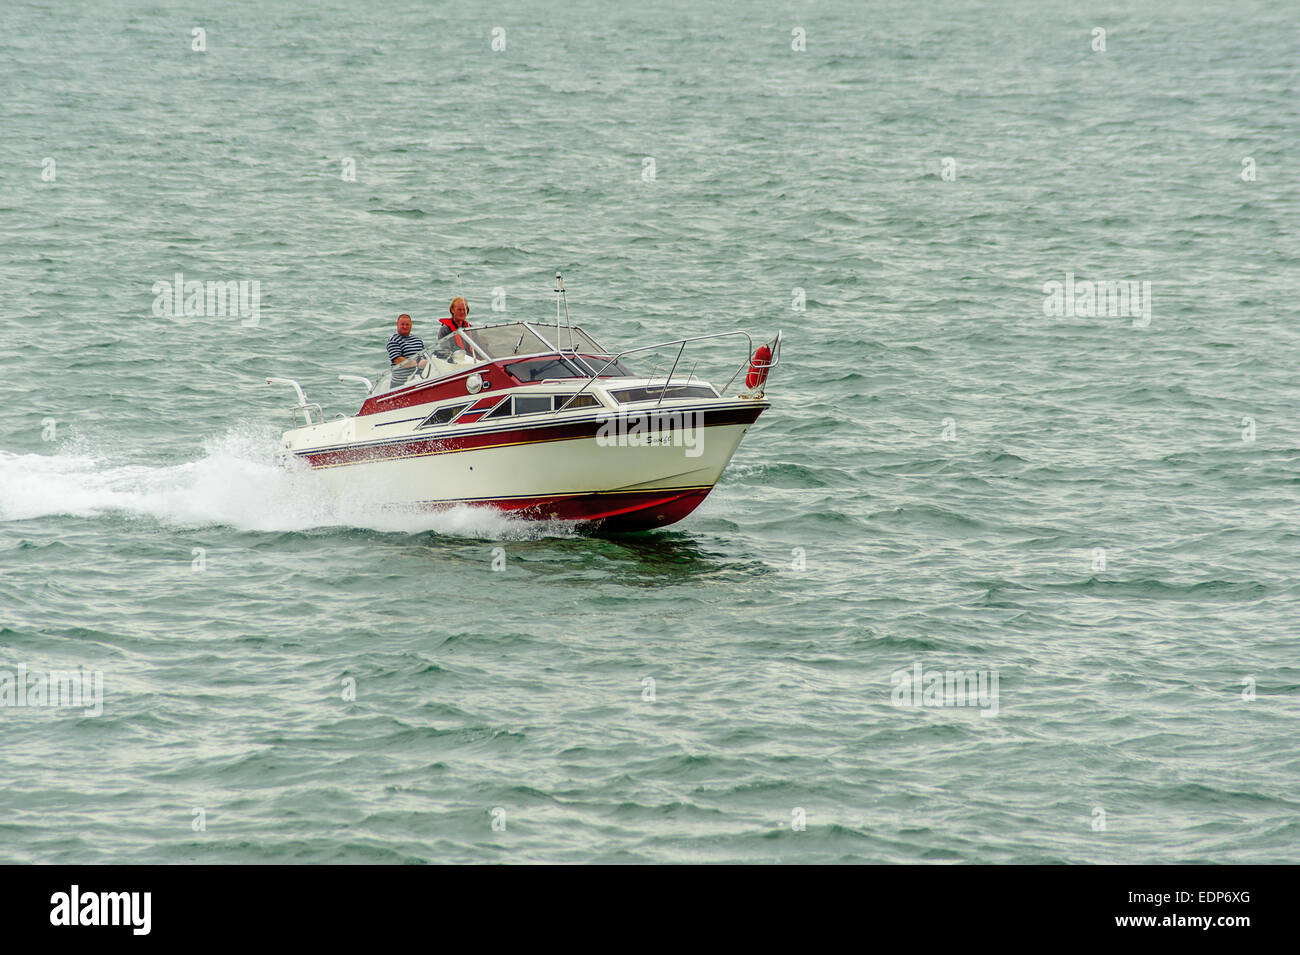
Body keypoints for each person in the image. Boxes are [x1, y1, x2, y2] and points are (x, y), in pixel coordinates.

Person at [386, 314, 426, 386]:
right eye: (402, 324)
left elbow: (424, 356)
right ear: (397, 325)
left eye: (407, 324)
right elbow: (397, 360)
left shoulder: (417, 340)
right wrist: (417, 363)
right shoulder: (393, 340)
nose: (405, 327)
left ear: (411, 325)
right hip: (400, 384)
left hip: (419, 379)